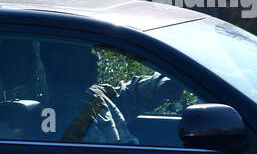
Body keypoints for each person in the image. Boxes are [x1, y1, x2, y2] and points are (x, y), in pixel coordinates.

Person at [39, 41, 181, 144]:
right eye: (84, 53)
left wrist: (159, 85)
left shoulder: (92, 94)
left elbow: (126, 95)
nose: (95, 58)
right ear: (59, 59)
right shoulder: (66, 114)